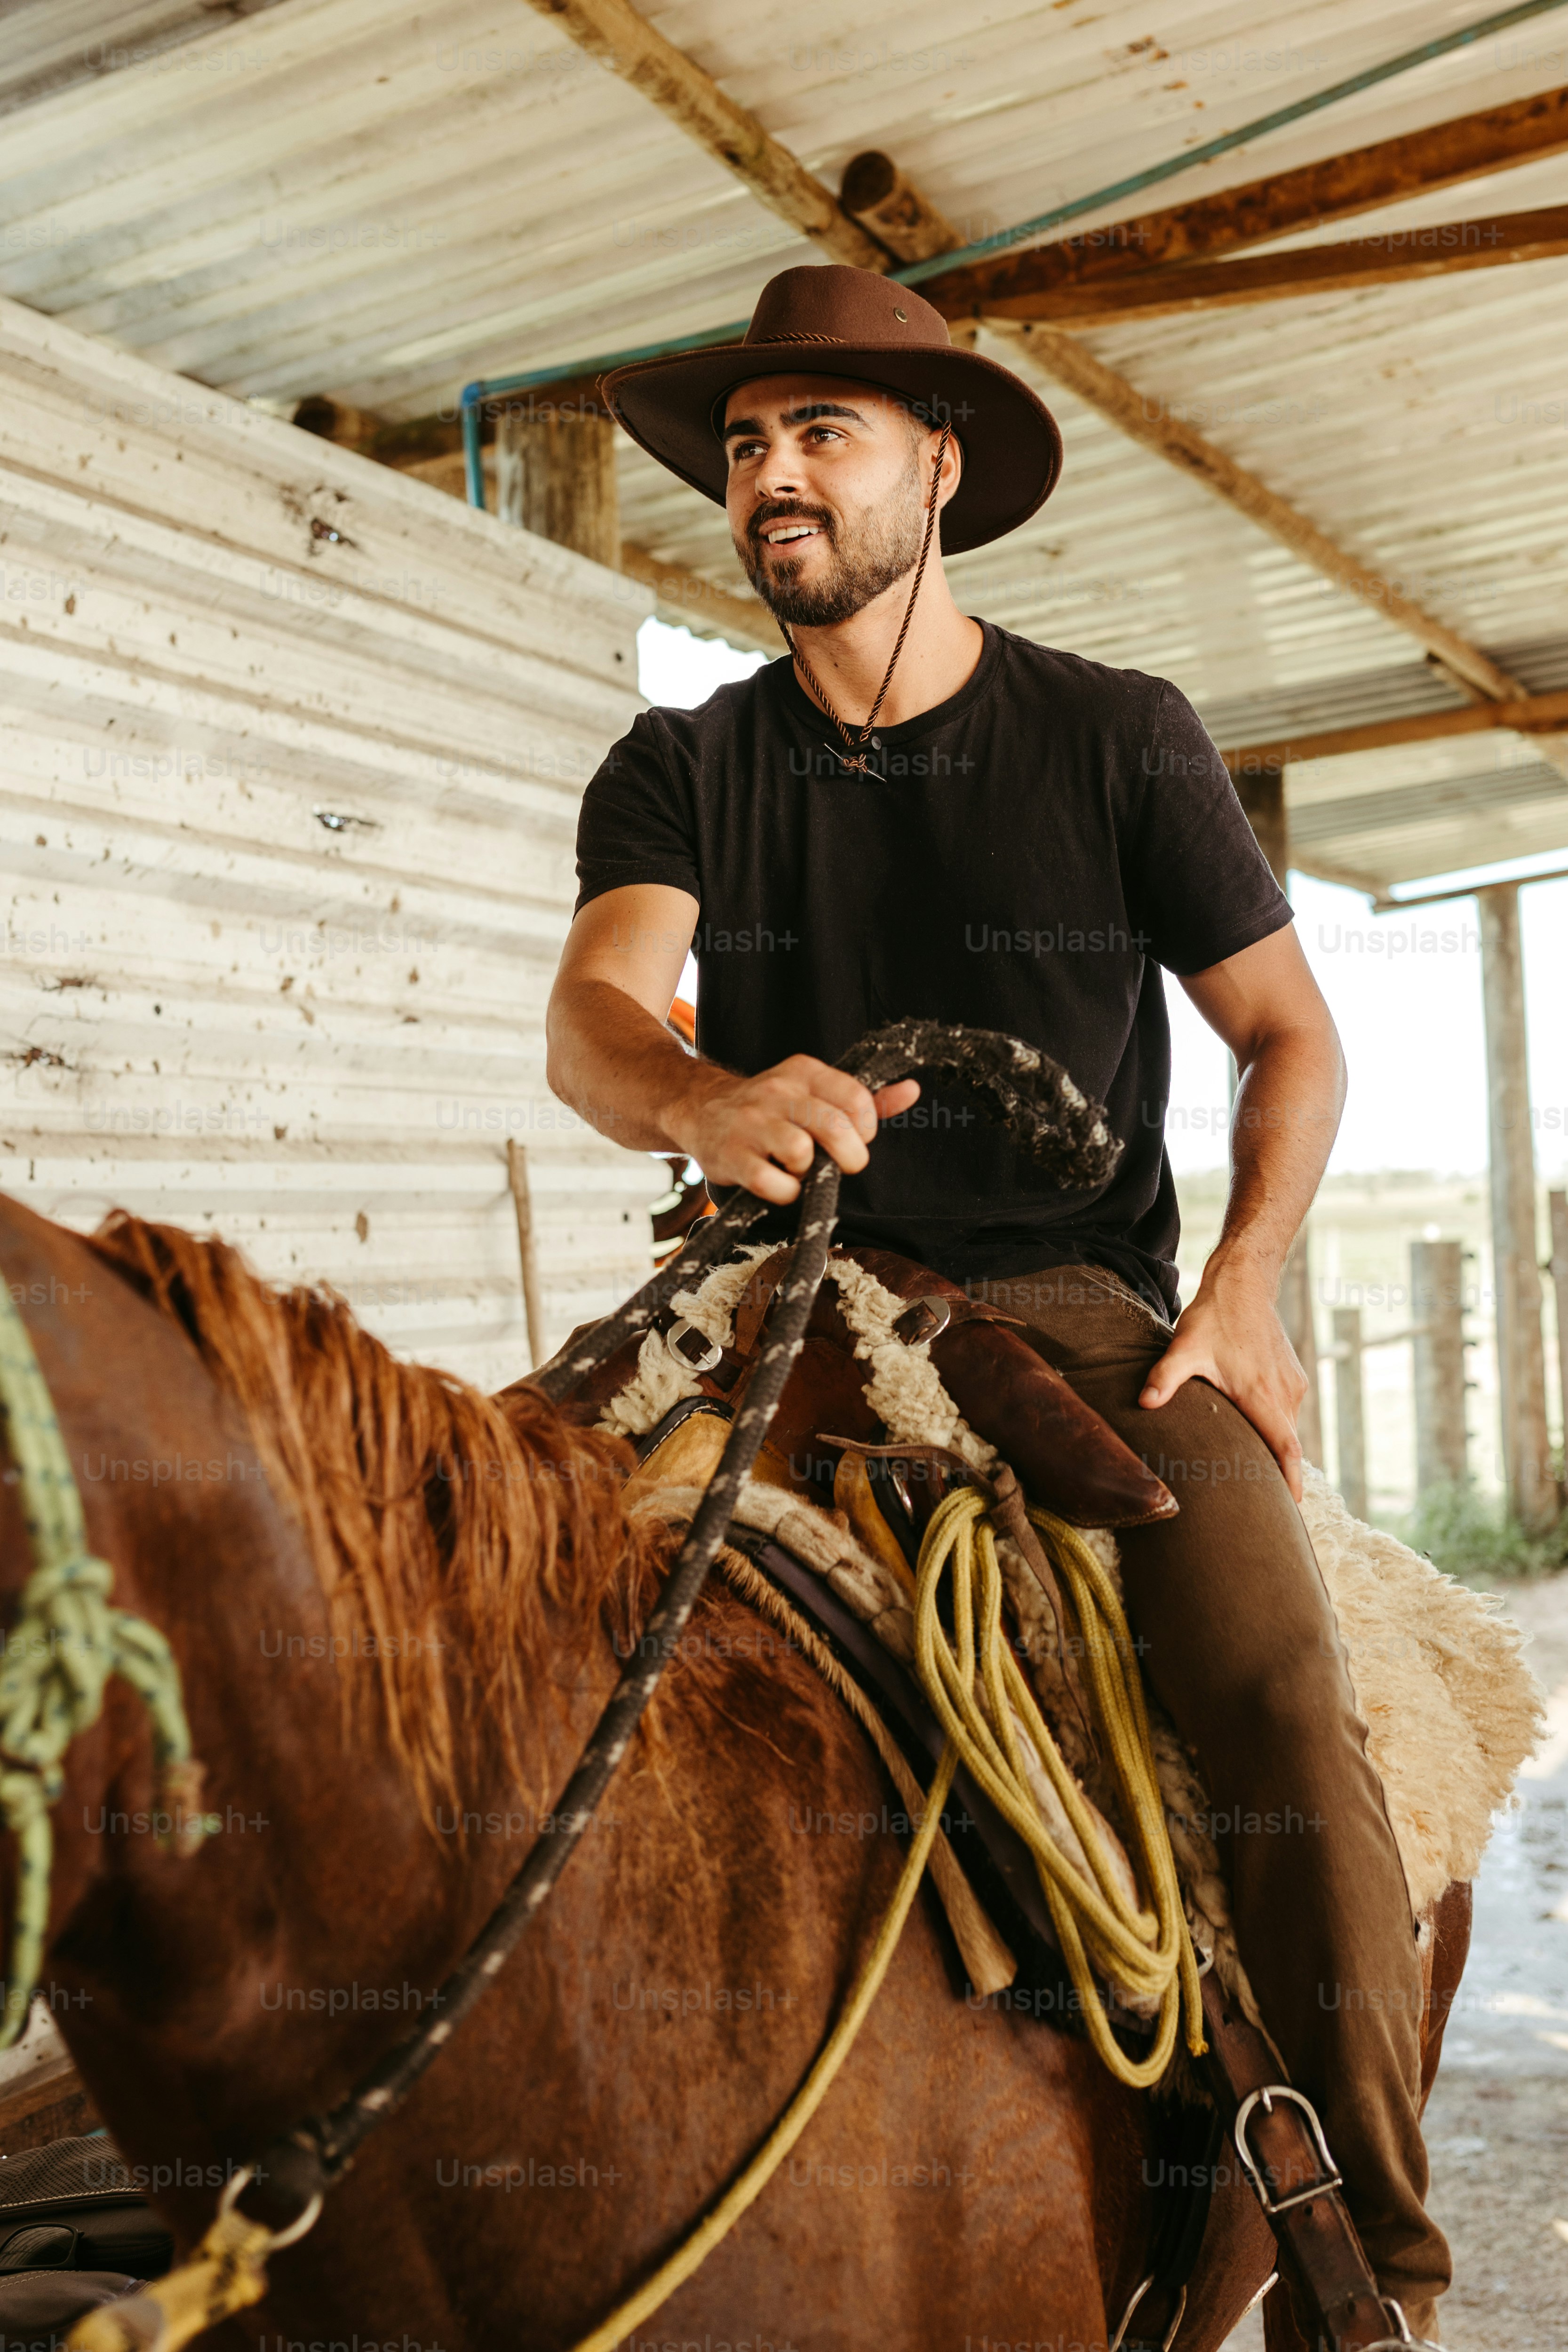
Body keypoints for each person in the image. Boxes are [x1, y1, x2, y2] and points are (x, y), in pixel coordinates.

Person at [545, 262, 1447, 2340]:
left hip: (1071, 1304)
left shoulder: (1119, 736)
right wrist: (698, 1091)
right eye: (751, 444)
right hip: (767, 1294)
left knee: (1269, 1692)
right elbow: (595, 1016)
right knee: (480, 1570)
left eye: (820, 436)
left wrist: (1240, 1292)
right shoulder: (683, 764)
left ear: (936, 469)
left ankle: (1373, 2266)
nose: (772, 476)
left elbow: (1288, 1039)